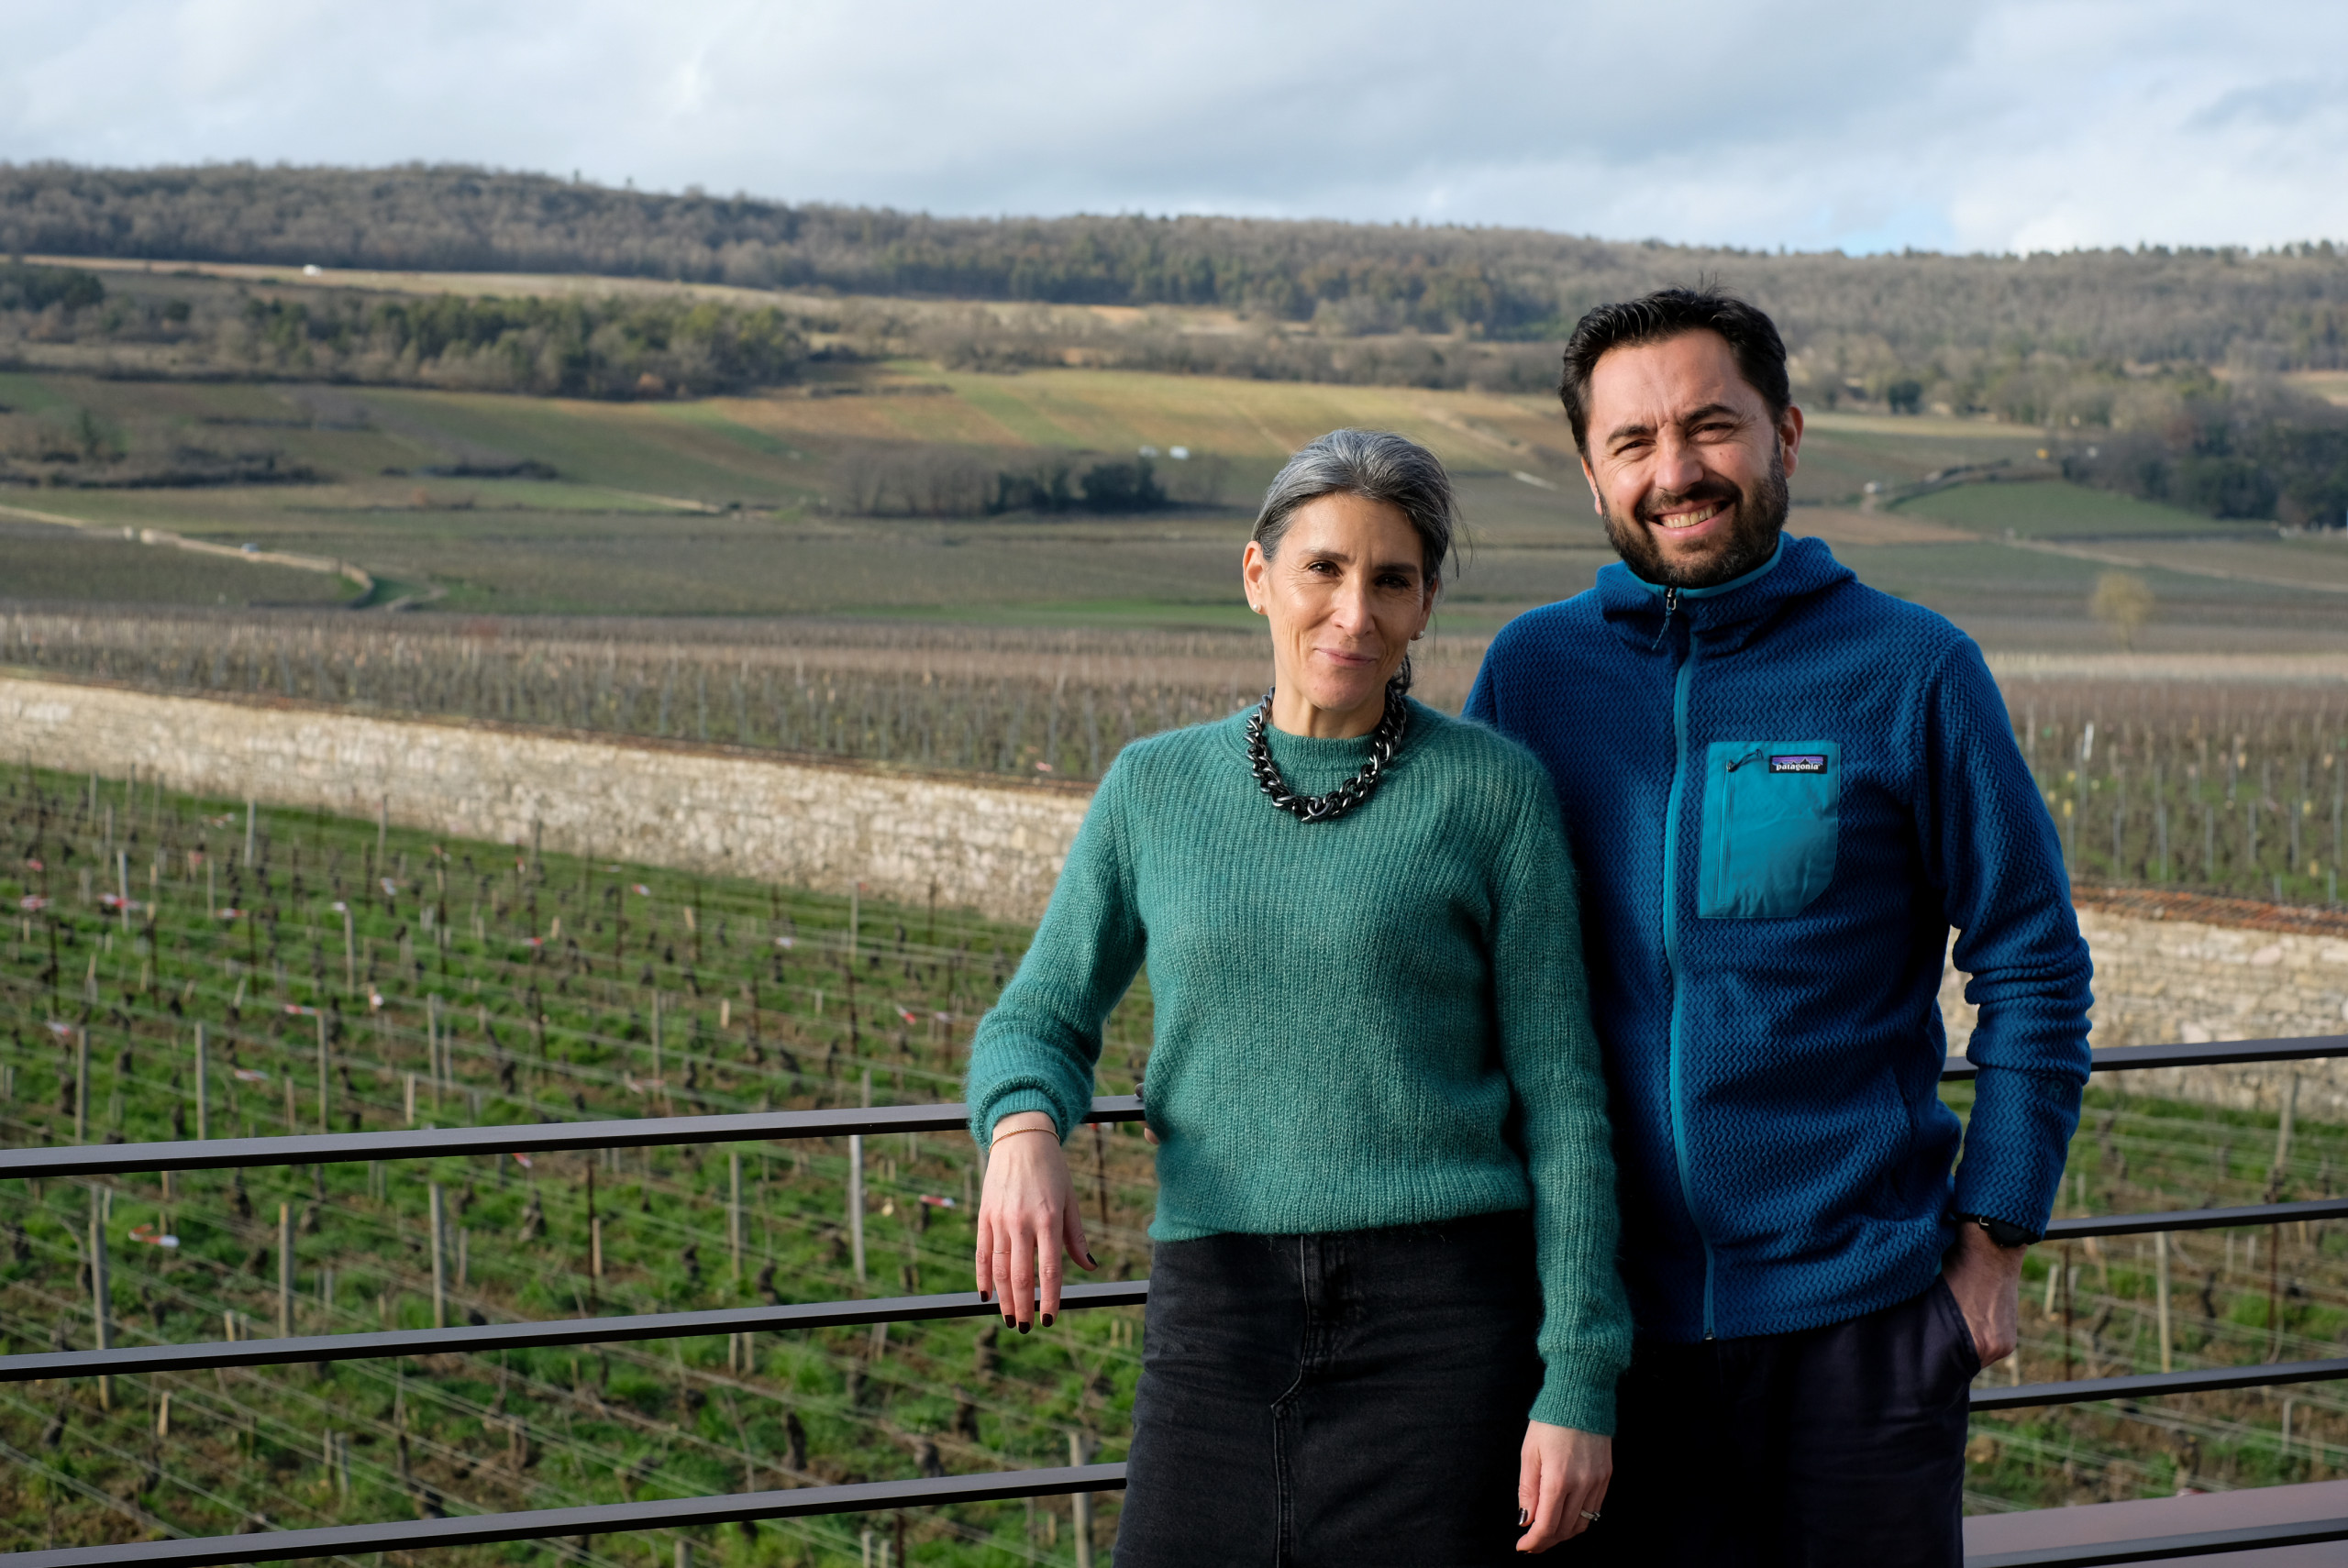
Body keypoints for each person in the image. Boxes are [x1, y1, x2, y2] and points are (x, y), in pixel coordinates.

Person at [1464, 287, 2094, 1566]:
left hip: (1862, 1332)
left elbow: (2033, 962)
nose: (1676, 472)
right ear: (1590, 473)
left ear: (1785, 435)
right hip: (1600, 1342)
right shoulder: (1531, 676)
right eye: (1632, 442)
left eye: (1711, 426)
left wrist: (1994, 1238)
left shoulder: (1913, 667)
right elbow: (1458, 960)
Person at [966, 428, 1631, 1565]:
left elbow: (1564, 1107)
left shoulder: (1492, 794)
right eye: (1323, 568)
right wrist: (1023, 1132)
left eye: (1392, 580)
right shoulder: (1153, 788)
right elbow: (1037, 1020)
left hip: (1442, 1328)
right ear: (1257, 575)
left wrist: (1577, 1380)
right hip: (1217, 1317)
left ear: (1424, 607)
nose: (1353, 613)